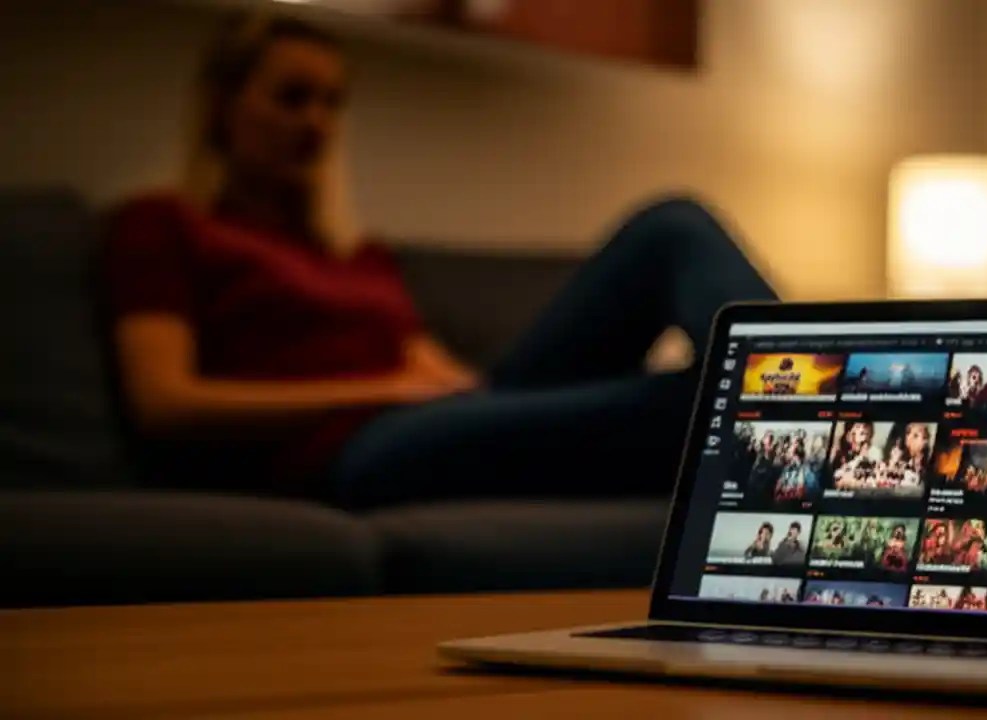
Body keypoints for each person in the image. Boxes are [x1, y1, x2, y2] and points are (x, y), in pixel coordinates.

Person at [104, 14, 777, 506]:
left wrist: (451, 387)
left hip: (432, 410)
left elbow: (420, 359)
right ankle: (823, 420)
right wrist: (383, 390)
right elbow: (166, 403)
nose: (317, 123)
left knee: (673, 226)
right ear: (223, 107)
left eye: (333, 103)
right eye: (292, 97)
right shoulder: (163, 223)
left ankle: (828, 398)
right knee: (708, 404)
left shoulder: (352, 252)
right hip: (350, 450)